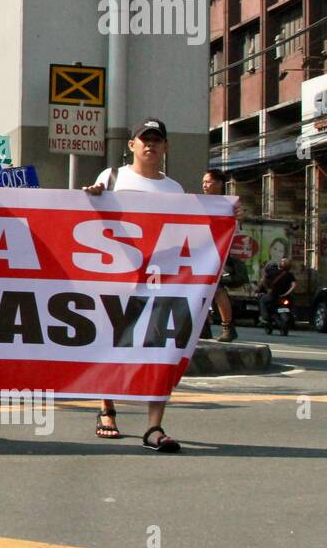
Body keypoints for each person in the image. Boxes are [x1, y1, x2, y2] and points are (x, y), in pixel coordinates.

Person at [82, 118, 187, 452]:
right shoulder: (113, 178)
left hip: (158, 281)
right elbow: (90, 220)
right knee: (113, 342)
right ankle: (107, 410)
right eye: (145, 139)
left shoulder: (175, 190)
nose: (150, 145)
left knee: (159, 349)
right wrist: (94, 197)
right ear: (132, 145)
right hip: (117, 278)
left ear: (166, 146)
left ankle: (154, 426)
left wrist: (228, 213)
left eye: (157, 139)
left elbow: (190, 233)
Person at [201, 169, 239, 341]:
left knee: (217, 289)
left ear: (219, 184)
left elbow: (234, 228)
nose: (205, 185)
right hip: (199, 252)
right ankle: (202, 326)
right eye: (204, 182)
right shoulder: (199, 202)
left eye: (208, 182)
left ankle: (228, 327)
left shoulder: (228, 205)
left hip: (217, 252)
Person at [257, 257, 296, 330]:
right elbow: (294, 285)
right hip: (285, 297)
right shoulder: (290, 274)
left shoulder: (274, 272)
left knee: (262, 300)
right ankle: (293, 316)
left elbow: (263, 280)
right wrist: (287, 293)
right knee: (292, 304)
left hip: (274, 295)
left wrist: (268, 289)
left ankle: (265, 317)